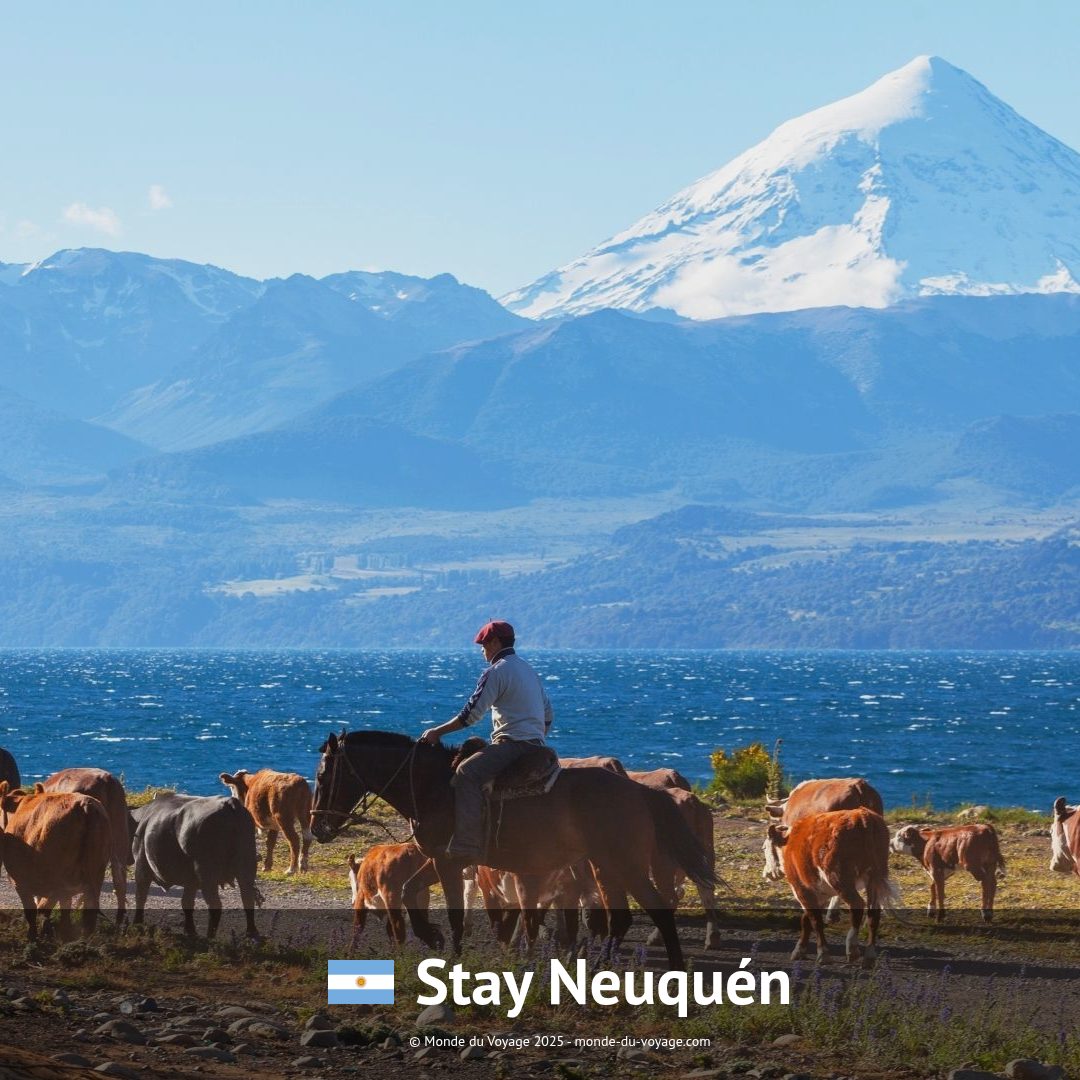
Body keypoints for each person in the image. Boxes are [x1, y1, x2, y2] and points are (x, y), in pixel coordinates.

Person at [419, 620, 553, 861]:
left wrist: (437, 732)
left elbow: (471, 715)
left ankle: (466, 845)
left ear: (495, 642)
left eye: (483, 644)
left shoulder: (496, 671)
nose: (482, 650)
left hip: (512, 745)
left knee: (466, 774)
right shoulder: (528, 670)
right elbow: (548, 717)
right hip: (538, 744)